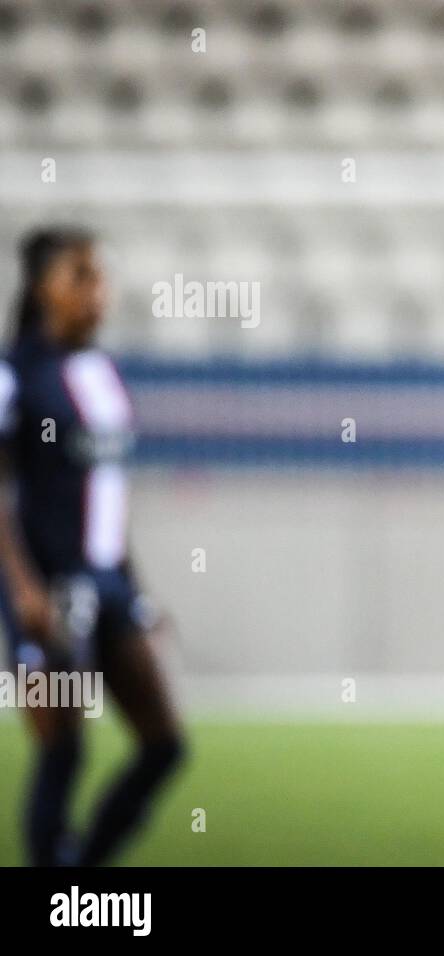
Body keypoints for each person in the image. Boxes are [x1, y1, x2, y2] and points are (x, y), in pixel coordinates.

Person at [0, 227, 185, 866]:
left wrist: (137, 591)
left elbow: (107, 491)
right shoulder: (15, 374)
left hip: (108, 584)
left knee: (163, 745)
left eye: (99, 277)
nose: (97, 292)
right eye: (81, 277)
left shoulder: (102, 372)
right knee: (62, 749)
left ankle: (82, 874)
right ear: (42, 286)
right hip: (49, 587)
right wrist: (23, 588)